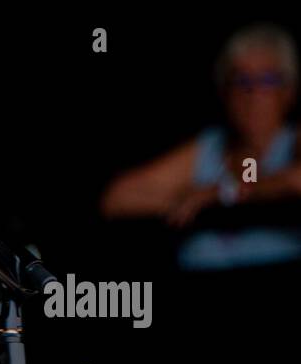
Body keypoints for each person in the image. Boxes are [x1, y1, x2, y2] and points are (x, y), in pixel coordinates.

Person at [100, 22, 301, 269]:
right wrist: (187, 198)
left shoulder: (294, 140)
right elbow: (119, 198)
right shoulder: (211, 147)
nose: (253, 93)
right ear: (224, 91)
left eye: (268, 80)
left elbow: (297, 179)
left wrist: (223, 193)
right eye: (241, 80)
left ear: (289, 90)